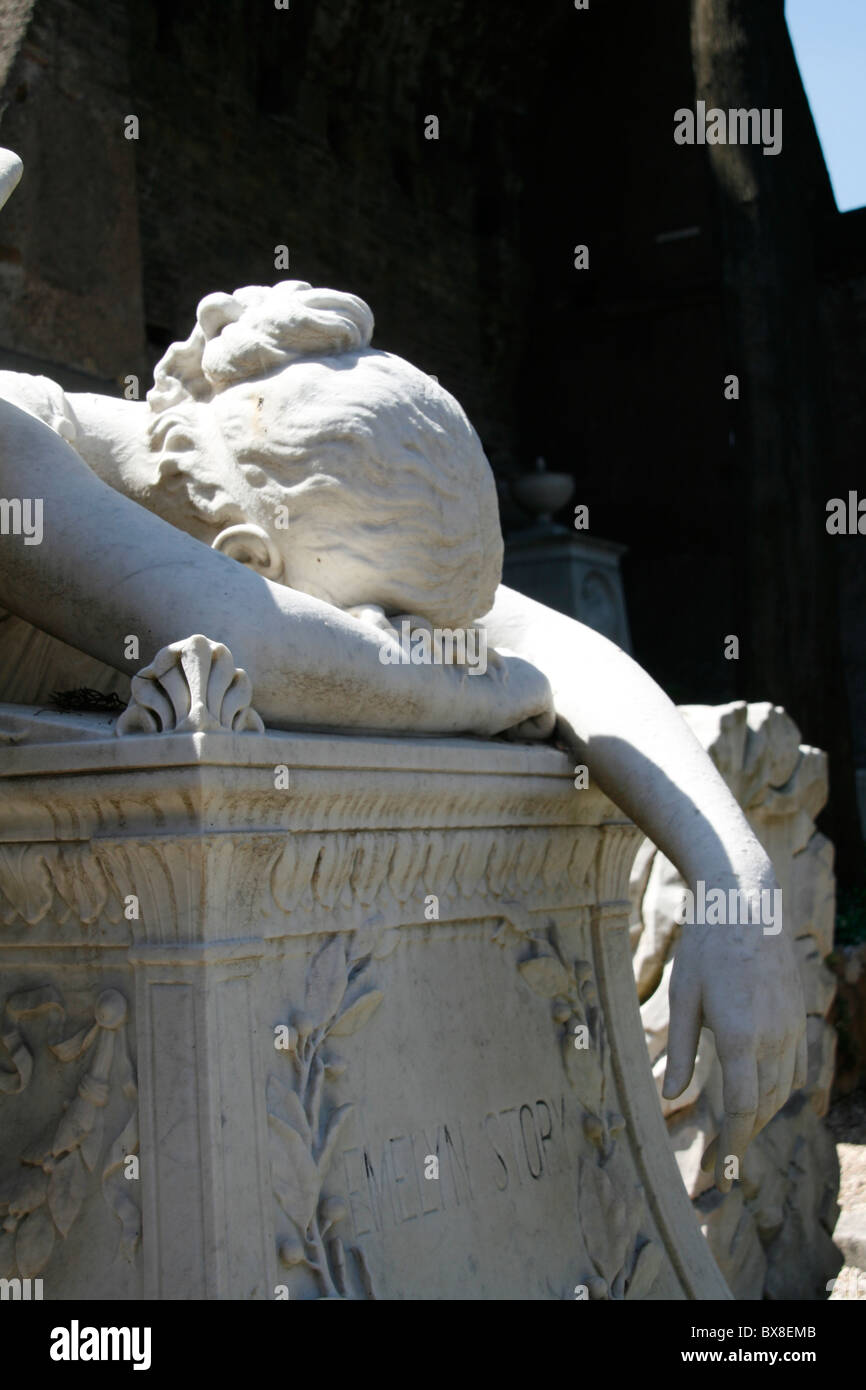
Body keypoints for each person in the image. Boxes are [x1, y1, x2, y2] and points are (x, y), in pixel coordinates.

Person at [0, 150, 805, 1191]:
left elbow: (552, 642)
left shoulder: (220, 509)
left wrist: (733, 881)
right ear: (255, 556)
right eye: (372, 635)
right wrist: (481, 690)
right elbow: (251, 636)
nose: (375, 657)